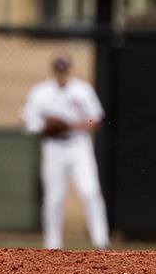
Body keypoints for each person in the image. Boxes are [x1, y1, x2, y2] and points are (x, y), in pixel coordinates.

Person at [19, 54, 109, 250]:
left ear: (69, 70)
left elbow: (96, 119)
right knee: (53, 197)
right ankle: (52, 245)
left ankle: (101, 241)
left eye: (64, 70)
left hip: (78, 145)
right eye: (58, 70)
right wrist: (45, 125)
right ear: (54, 71)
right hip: (53, 147)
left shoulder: (82, 90)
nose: (61, 74)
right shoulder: (41, 92)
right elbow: (27, 120)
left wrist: (70, 125)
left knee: (90, 191)